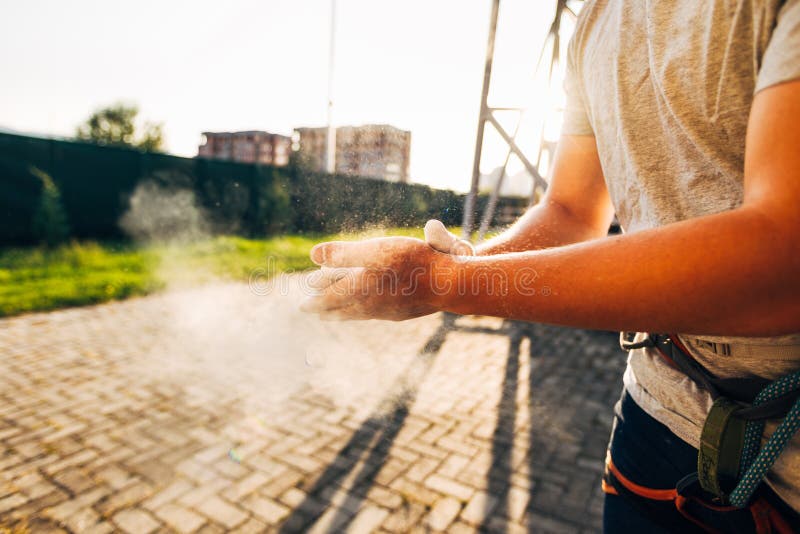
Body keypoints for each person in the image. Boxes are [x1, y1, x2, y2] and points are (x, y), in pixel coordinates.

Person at [302, 0, 800, 531]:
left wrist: (447, 285)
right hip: (655, 417)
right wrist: (462, 264)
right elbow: (571, 209)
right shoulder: (595, 21)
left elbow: (782, 262)